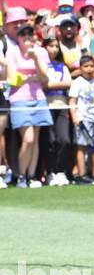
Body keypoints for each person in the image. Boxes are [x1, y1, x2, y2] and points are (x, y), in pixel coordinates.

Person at [5, 24, 52, 187]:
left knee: (36, 139)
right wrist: (32, 77)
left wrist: (35, 61)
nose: (26, 37)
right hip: (19, 98)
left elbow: (45, 79)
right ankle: (20, 176)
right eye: (22, 34)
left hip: (39, 97)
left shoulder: (41, 52)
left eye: (30, 34)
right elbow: (12, 79)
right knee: (28, 139)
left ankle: (31, 176)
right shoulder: (12, 52)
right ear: (17, 38)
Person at [39, 35, 72, 186]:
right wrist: (55, 84)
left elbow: (68, 82)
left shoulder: (62, 66)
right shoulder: (41, 65)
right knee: (49, 140)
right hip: (46, 105)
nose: (53, 49)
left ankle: (61, 171)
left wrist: (50, 84)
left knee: (64, 139)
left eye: (56, 46)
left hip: (61, 105)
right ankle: (50, 171)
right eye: (50, 46)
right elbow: (42, 84)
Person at [69, 54, 94, 184]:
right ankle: (82, 175)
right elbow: (72, 100)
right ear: (80, 68)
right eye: (86, 66)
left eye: (91, 66)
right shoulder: (77, 83)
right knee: (81, 147)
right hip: (82, 119)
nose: (89, 69)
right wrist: (74, 116)